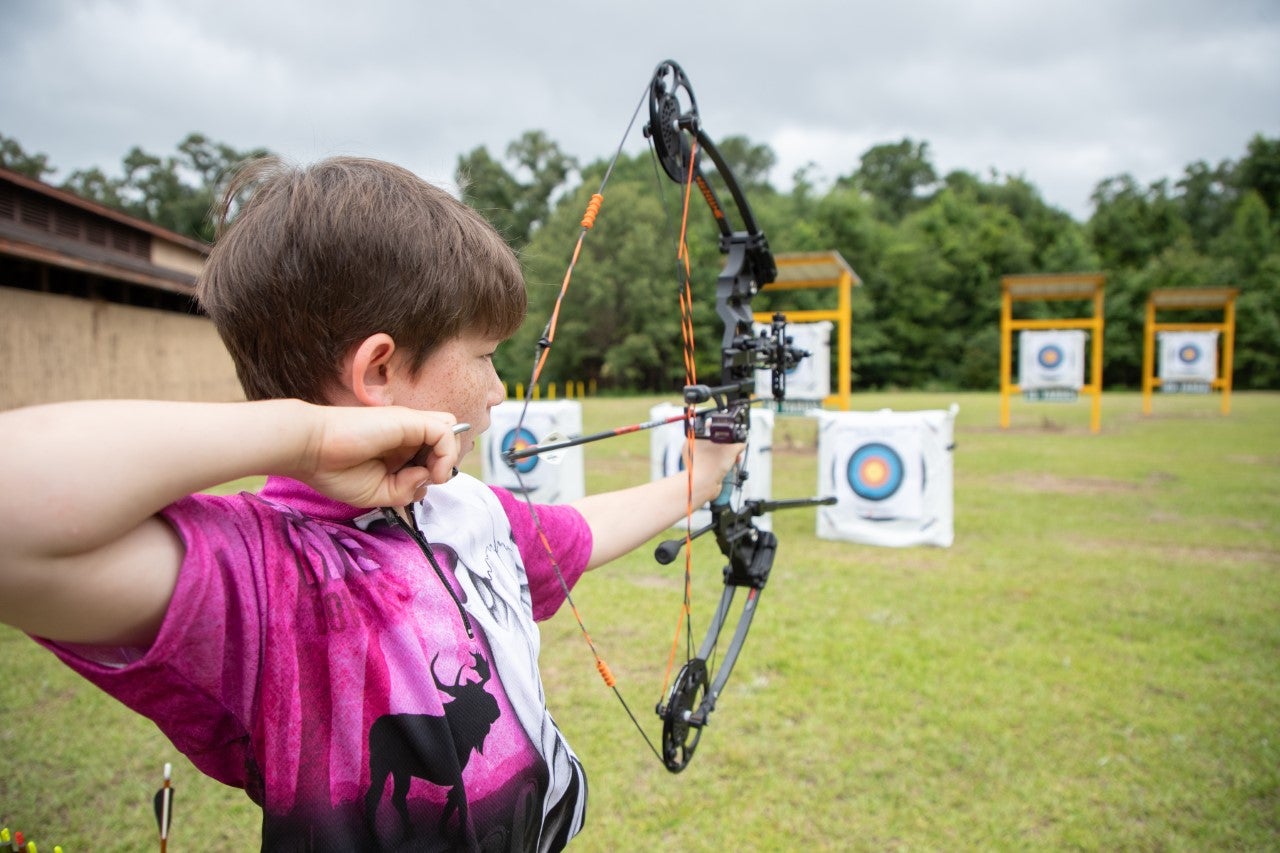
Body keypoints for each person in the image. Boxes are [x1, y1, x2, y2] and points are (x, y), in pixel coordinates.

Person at [0, 156, 741, 851]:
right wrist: (308, 433)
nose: (497, 389)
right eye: (484, 355)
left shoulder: (465, 508)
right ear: (379, 369)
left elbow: (577, 532)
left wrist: (699, 482)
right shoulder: (266, 575)